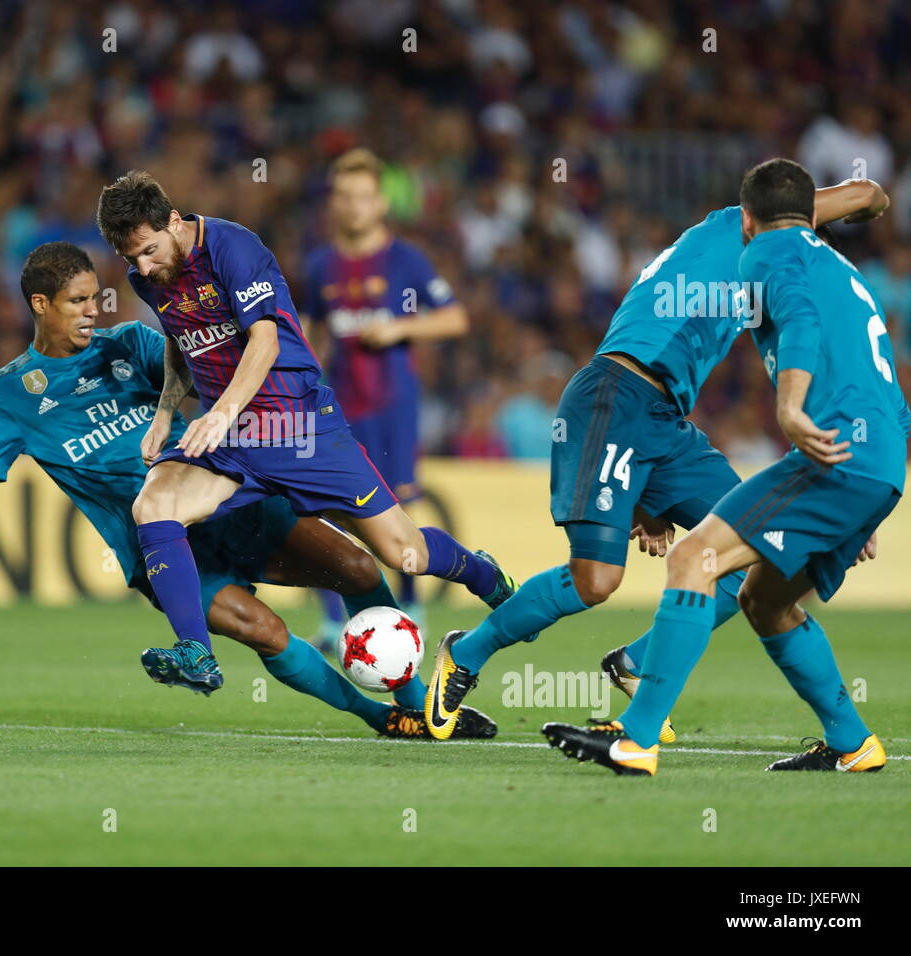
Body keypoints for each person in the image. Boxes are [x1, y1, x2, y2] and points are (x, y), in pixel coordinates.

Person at [0, 242, 496, 740]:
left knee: (359, 568)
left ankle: (421, 707)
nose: (93, 311)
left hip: (230, 501)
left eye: (96, 298)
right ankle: (381, 717)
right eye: (78, 301)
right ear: (40, 305)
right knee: (265, 631)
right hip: (161, 550)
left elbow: (203, 378)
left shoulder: (132, 345)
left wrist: (203, 405)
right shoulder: (7, 396)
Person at [424, 174, 889, 741]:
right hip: (615, 395)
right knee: (596, 580)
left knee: (752, 551)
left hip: (667, 421)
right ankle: (465, 655)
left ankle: (636, 665)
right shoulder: (740, 228)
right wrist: (872, 206)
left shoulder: (773, 260)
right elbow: (862, 193)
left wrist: (837, 499)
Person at [544, 158, 905, 775]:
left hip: (836, 458)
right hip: (877, 462)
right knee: (765, 602)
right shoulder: (839, 268)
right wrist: (863, 494)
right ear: (811, 216)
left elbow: (799, 323)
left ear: (746, 219)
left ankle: (636, 739)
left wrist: (790, 408)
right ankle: (853, 743)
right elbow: (886, 392)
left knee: (695, 558)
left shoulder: (763, 253)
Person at [96, 170, 515, 695]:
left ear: (174, 222)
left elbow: (265, 343)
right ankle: (196, 652)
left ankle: (483, 575)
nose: (143, 267)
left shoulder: (232, 247)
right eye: (131, 258)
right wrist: (165, 412)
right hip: (229, 441)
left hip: (297, 427)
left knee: (404, 551)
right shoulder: (150, 276)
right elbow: (182, 341)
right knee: (153, 505)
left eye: (150, 251)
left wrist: (221, 412)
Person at [302, 148, 468, 642]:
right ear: (334, 202)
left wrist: (398, 328)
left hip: (393, 403)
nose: (354, 206)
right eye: (345, 196)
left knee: (399, 511)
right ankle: (333, 621)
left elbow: (455, 318)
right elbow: (310, 329)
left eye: (364, 197)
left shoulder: (405, 260)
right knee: (322, 511)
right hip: (337, 407)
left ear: (380, 204)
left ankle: (411, 612)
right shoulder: (319, 266)